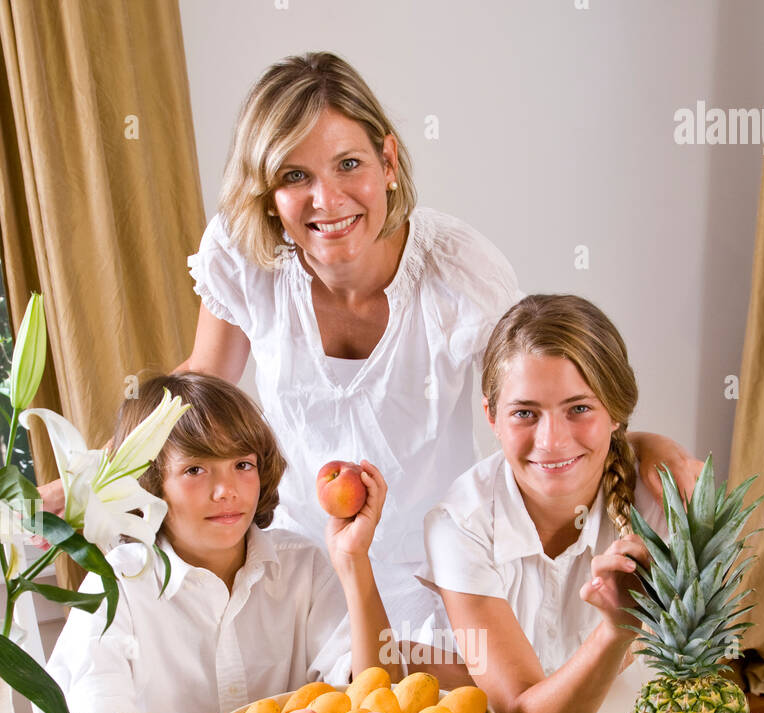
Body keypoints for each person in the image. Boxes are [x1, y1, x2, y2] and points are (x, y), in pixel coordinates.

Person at [175, 51, 700, 653]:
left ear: (389, 161)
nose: (327, 199)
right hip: (292, 568)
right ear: (266, 193)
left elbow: (533, 399)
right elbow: (203, 386)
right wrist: (96, 477)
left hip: (434, 579)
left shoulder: (459, 271)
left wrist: (644, 445)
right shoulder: (244, 253)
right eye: (295, 176)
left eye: (349, 164)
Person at [47, 372, 400, 713]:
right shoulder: (117, 586)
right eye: (196, 470)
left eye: (242, 464)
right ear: (149, 485)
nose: (226, 490)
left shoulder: (302, 566)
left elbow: (377, 704)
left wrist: (354, 561)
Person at [419, 294, 681, 713]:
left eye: (578, 408)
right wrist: (617, 630)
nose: (552, 441)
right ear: (492, 417)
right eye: (525, 413)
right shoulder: (459, 524)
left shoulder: (660, 496)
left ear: (617, 411)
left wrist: (661, 448)